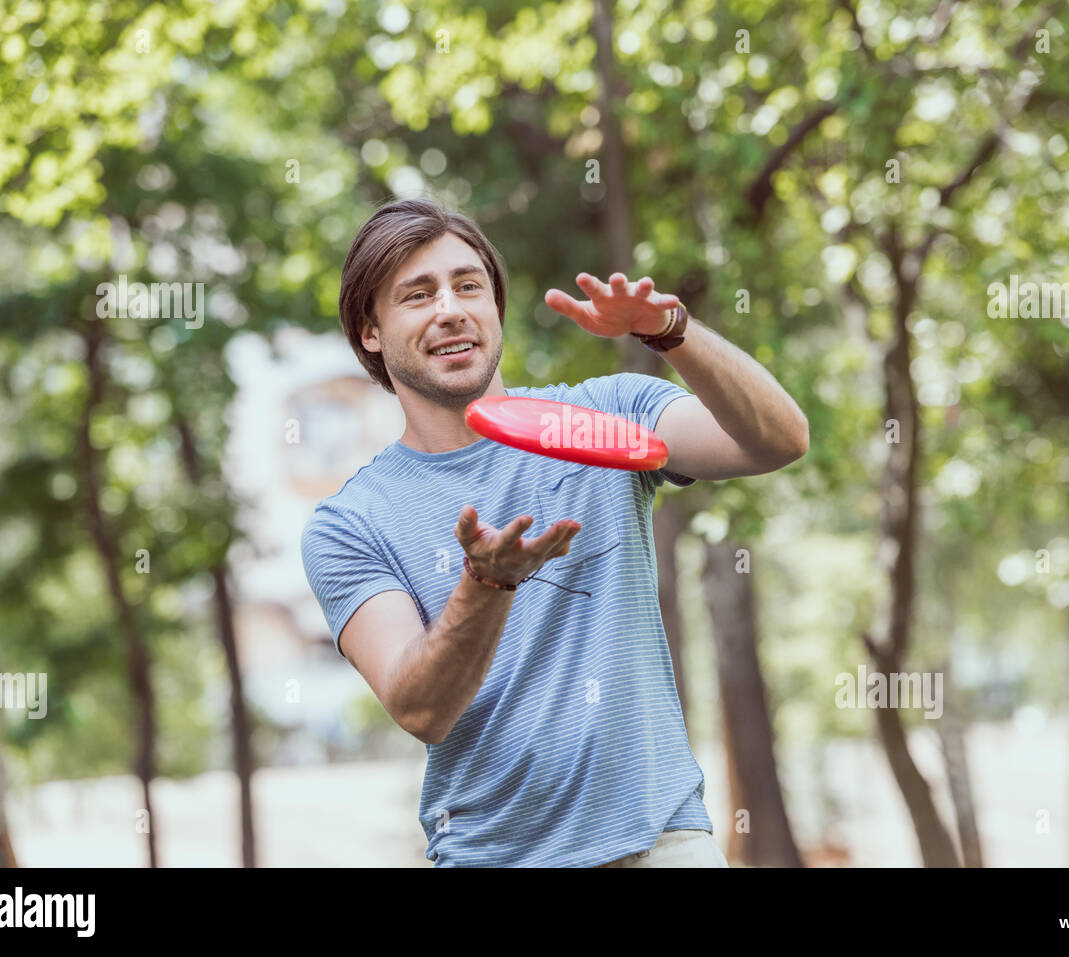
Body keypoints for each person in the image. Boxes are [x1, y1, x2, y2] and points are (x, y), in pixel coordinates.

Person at [301, 197, 809, 867]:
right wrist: (485, 584)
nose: (450, 307)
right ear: (371, 332)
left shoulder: (607, 415)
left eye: (468, 285)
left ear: (494, 306)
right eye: (417, 295)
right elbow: (421, 707)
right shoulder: (349, 523)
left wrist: (671, 330)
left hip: (663, 845)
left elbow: (777, 440)